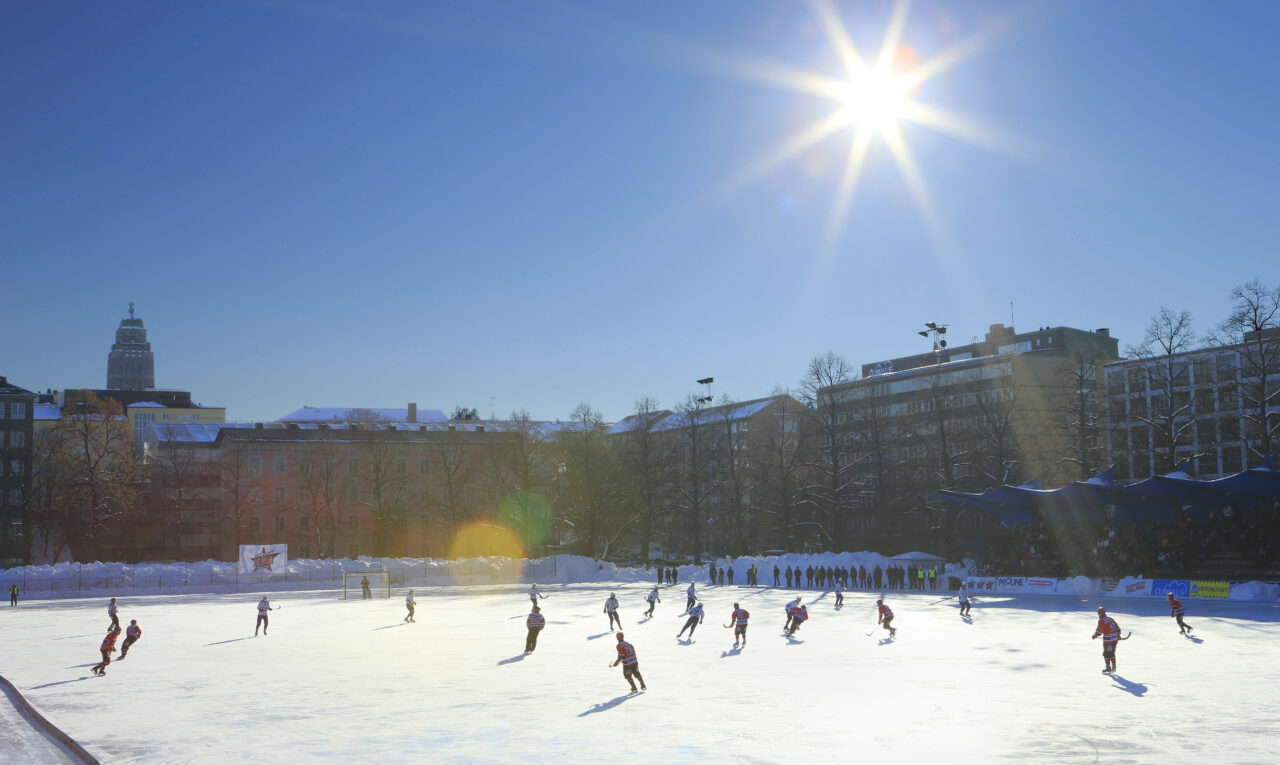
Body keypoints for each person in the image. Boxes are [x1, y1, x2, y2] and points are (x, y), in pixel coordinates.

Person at [1092, 606, 1122, 673]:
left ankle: (1108, 668)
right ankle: (1114, 666)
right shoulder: (1110, 619)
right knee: (1111, 653)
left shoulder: (1102, 620)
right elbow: (1118, 629)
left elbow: (1099, 631)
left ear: (1099, 614)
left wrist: (1095, 635)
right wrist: (1118, 635)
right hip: (1115, 640)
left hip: (1109, 641)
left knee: (1106, 654)